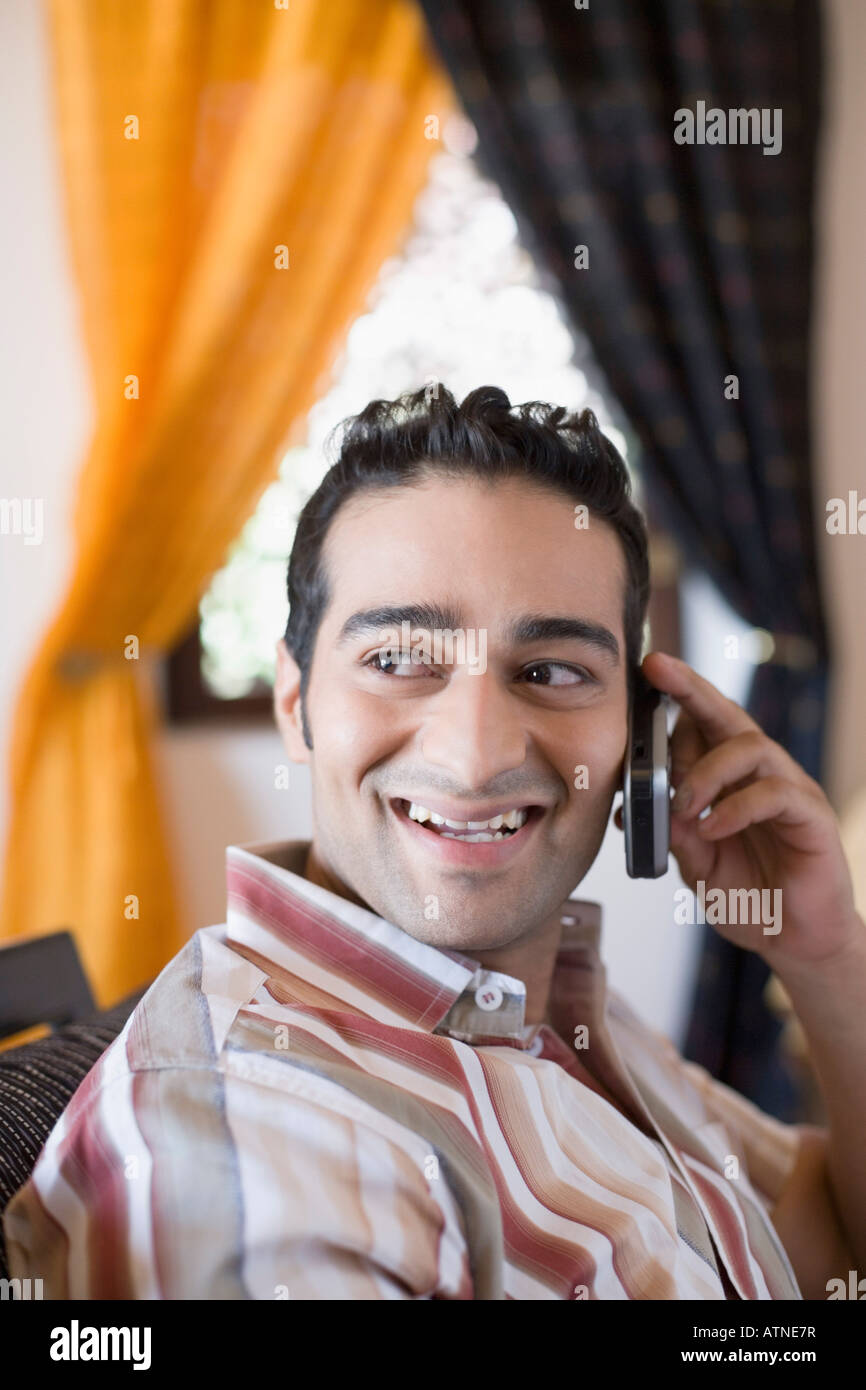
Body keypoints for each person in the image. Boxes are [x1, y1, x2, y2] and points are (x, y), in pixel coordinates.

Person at [5, 385, 863, 1300]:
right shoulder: (257, 1141)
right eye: (397, 660)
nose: (477, 752)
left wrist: (825, 953)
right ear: (296, 703)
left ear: (642, 738)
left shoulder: (563, 1008)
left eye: (551, 670)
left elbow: (830, 1242)